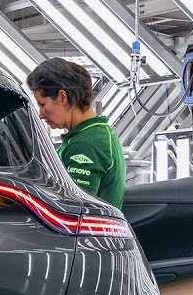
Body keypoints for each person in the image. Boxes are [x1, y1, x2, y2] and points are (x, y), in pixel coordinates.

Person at [26, 58, 127, 207]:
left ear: (62, 97)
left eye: (42, 104)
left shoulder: (86, 145)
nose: (41, 114)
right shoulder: (96, 133)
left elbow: (74, 208)